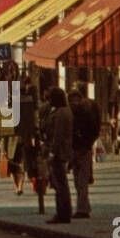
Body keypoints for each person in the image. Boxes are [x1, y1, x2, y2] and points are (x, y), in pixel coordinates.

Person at [44, 87, 74, 223]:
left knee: (59, 183)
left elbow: (58, 135)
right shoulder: (65, 111)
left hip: (59, 152)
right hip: (62, 151)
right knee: (60, 183)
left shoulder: (61, 113)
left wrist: (52, 152)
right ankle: (63, 212)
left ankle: (63, 213)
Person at [68, 89, 100, 218]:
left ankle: (82, 208)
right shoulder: (87, 112)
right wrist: (88, 143)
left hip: (77, 148)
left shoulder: (71, 112)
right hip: (83, 148)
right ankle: (84, 206)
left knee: (80, 180)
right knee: (81, 179)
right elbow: (94, 130)